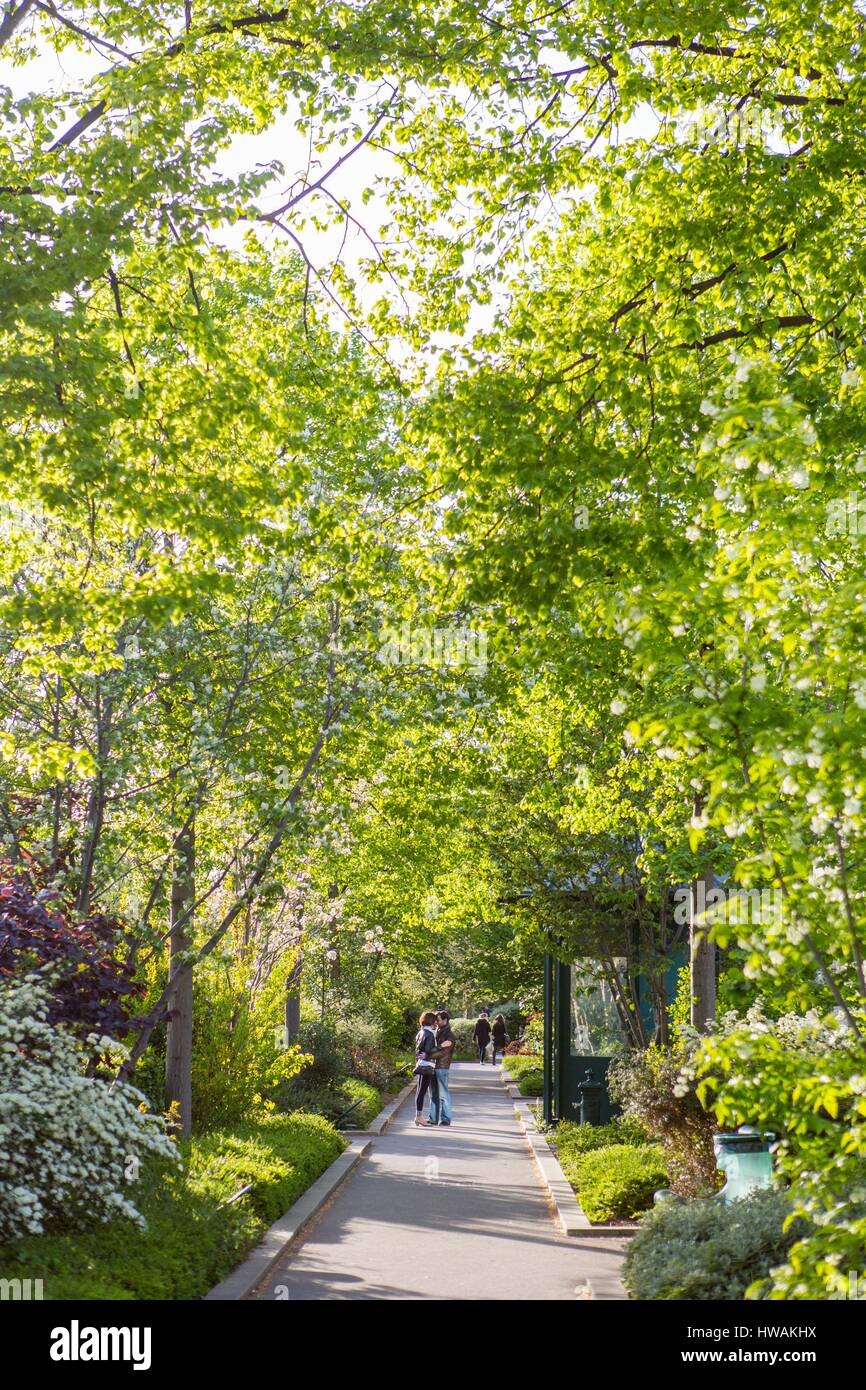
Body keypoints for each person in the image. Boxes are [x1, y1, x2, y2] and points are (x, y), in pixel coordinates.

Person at [413, 1010, 440, 1127]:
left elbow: (418, 1050)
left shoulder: (421, 1032)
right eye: (435, 1020)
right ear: (432, 1021)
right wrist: (440, 1047)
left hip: (421, 1063)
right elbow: (429, 1050)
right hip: (428, 1065)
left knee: (420, 1091)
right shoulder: (430, 1034)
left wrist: (422, 1055)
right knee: (422, 1091)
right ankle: (419, 1117)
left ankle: (418, 1116)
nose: (436, 1023)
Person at [428, 1009, 454, 1126]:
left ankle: (446, 1119)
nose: (436, 1022)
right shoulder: (438, 1031)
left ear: (445, 1020)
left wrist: (429, 1053)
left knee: (443, 1094)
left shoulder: (448, 1034)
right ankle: (433, 1118)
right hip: (434, 1066)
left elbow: (444, 1052)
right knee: (433, 1094)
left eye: (438, 1020)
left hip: (442, 1067)